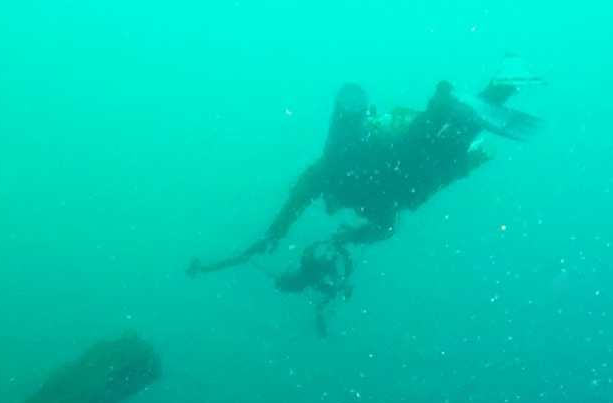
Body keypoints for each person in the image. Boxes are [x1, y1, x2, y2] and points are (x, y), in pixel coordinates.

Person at [188, 55, 544, 336]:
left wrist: (278, 234)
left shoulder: (340, 188)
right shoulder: (342, 187)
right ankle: (499, 83)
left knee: (442, 150)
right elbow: (307, 200)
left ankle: (456, 101)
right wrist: (294, 233)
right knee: (437, 146)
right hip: (389, 162)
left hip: (390, 169)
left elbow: (305, 200)